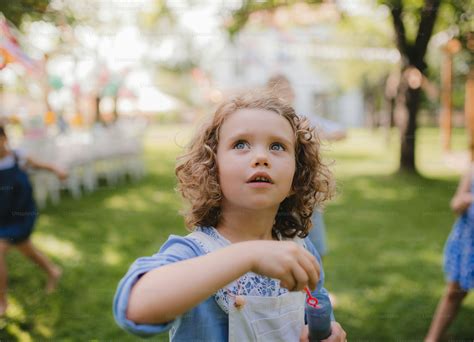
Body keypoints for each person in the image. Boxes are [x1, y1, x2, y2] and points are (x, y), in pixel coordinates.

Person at [113, 92, 346, 341]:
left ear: (295, 178)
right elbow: (135, 307)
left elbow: (316, 314)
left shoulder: (300, 250)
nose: (261, 157)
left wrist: (326, 332)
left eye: (277, 146)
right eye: (240, 144)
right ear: (213, 170)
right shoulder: (195, 252)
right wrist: (250, 255)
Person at [266, 74, 345, 266]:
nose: (284, 95)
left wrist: (313, 136)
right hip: (277, 189)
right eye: (279, 90)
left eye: (287, 90)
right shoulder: (265, 121)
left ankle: (313, 284)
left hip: (304, 188)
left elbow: (341, 132)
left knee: (313, 244)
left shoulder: (303, 119)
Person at [0, 125, 65, 316]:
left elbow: (41, 165)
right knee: (26, 249)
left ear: (4, 138)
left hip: (21, 215)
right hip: (1, 217)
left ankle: (2, 303)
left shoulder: (18, 157)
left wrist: (57, 170)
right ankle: (53, 271)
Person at [425, 166, 474, 341]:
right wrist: (464, 201)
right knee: (454, 292)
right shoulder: (472, 170)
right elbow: (455, 204)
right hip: (468, 242)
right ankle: (433, 338)